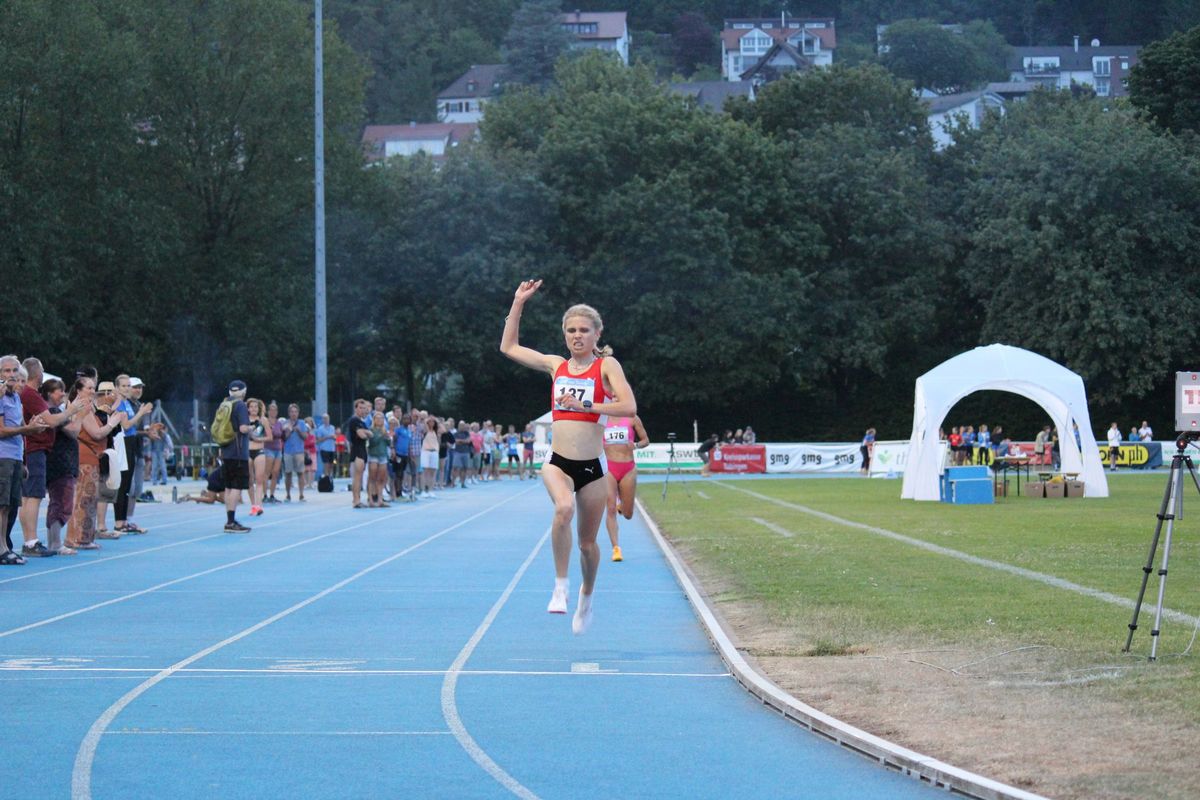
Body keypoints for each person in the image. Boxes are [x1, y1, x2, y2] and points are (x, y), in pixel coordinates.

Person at [501, 280, 637, 635]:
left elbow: (629, 405)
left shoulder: (607, 367)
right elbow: (509, 346)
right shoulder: (555, 365)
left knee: (588, 545)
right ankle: (560, 586)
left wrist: (587, 404)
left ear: (597, 333)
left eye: (584, 331)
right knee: (563, 509)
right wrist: (518, 303)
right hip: (558, 461)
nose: (577, 336)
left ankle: (586, 596)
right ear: (564, 334)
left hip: (593, 468)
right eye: (571, 330)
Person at [1, 355, 51, 564]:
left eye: (15, 371)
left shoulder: (15, 398)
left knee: (9, 505)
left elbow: (23, 428)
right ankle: (1, 548)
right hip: (2, 456)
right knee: (2, 505)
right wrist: (27, 428)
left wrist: (33, 426)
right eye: (7, 371)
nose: (12, 376)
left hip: (13, 457)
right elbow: (2, 431)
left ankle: (4, 546)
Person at [65, 377, 125, 552]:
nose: (93, 391)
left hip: (93, 457)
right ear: (79, 390)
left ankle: (85, 537)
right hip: (85, 458)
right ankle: (76, 538)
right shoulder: (82, 407)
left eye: (93, 388)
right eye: (89, 388)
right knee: (82, 499)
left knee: (90, 499)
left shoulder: (90, 407)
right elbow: (96, 433)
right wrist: (113, 422)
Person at [603, 413, 649, 562]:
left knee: (628, 514)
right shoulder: (601, 419)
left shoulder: (632, 418)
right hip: (608, 468)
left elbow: (645, 440)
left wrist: (635, 445)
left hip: (628, 468)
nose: (615, 399)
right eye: (612, 396)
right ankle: (616, 548)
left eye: (618, 396)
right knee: (610, 509)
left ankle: (622, 506)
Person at [220, 381, 254, 532]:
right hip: (239, 452)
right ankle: (231, 522)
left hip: (226, 451)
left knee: (228, 487)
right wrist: (252, 427)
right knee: (237, 487)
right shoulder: (240, 405)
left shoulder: (224, 404)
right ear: (243, 391)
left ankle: (230, 519)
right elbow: (243, 428)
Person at [246, 398, 270, 517]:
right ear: (248, 408)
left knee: (259, 479)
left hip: (259, 451)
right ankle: (253, 505)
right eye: (251, 407)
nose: (254, 409)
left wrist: (258, 439)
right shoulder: (244, 420)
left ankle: (258, 505)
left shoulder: (263, 420)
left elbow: (269, 437)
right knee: (249, 480)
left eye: (256, 406)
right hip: (247, 451)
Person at [280, 403, 309, 502]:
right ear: (289, 413)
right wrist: (289, 430)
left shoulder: (302, 423)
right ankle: (288, 495)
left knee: (301, 473)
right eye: (292, 412)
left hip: (299, 451)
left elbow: (305, 437)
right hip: (288, 451)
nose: (294, 414)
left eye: (295, 412)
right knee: (288, 473)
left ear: (298, 413)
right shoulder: (285, 423)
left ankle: (301, 494)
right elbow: (283, 438)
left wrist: (299, 431)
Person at [347, 398, 371, 508]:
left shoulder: (362, 422)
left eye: (364, 408)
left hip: (362, 451)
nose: (362, 410)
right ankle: (356, 501)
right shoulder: (354, 420)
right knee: (357, 477)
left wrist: (365, 432)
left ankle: (358, 499)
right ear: (355, 408)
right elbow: (363, 435)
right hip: (357, 451)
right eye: (360, 408)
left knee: (360, 477)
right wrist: (366, 433)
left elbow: (370, 434)